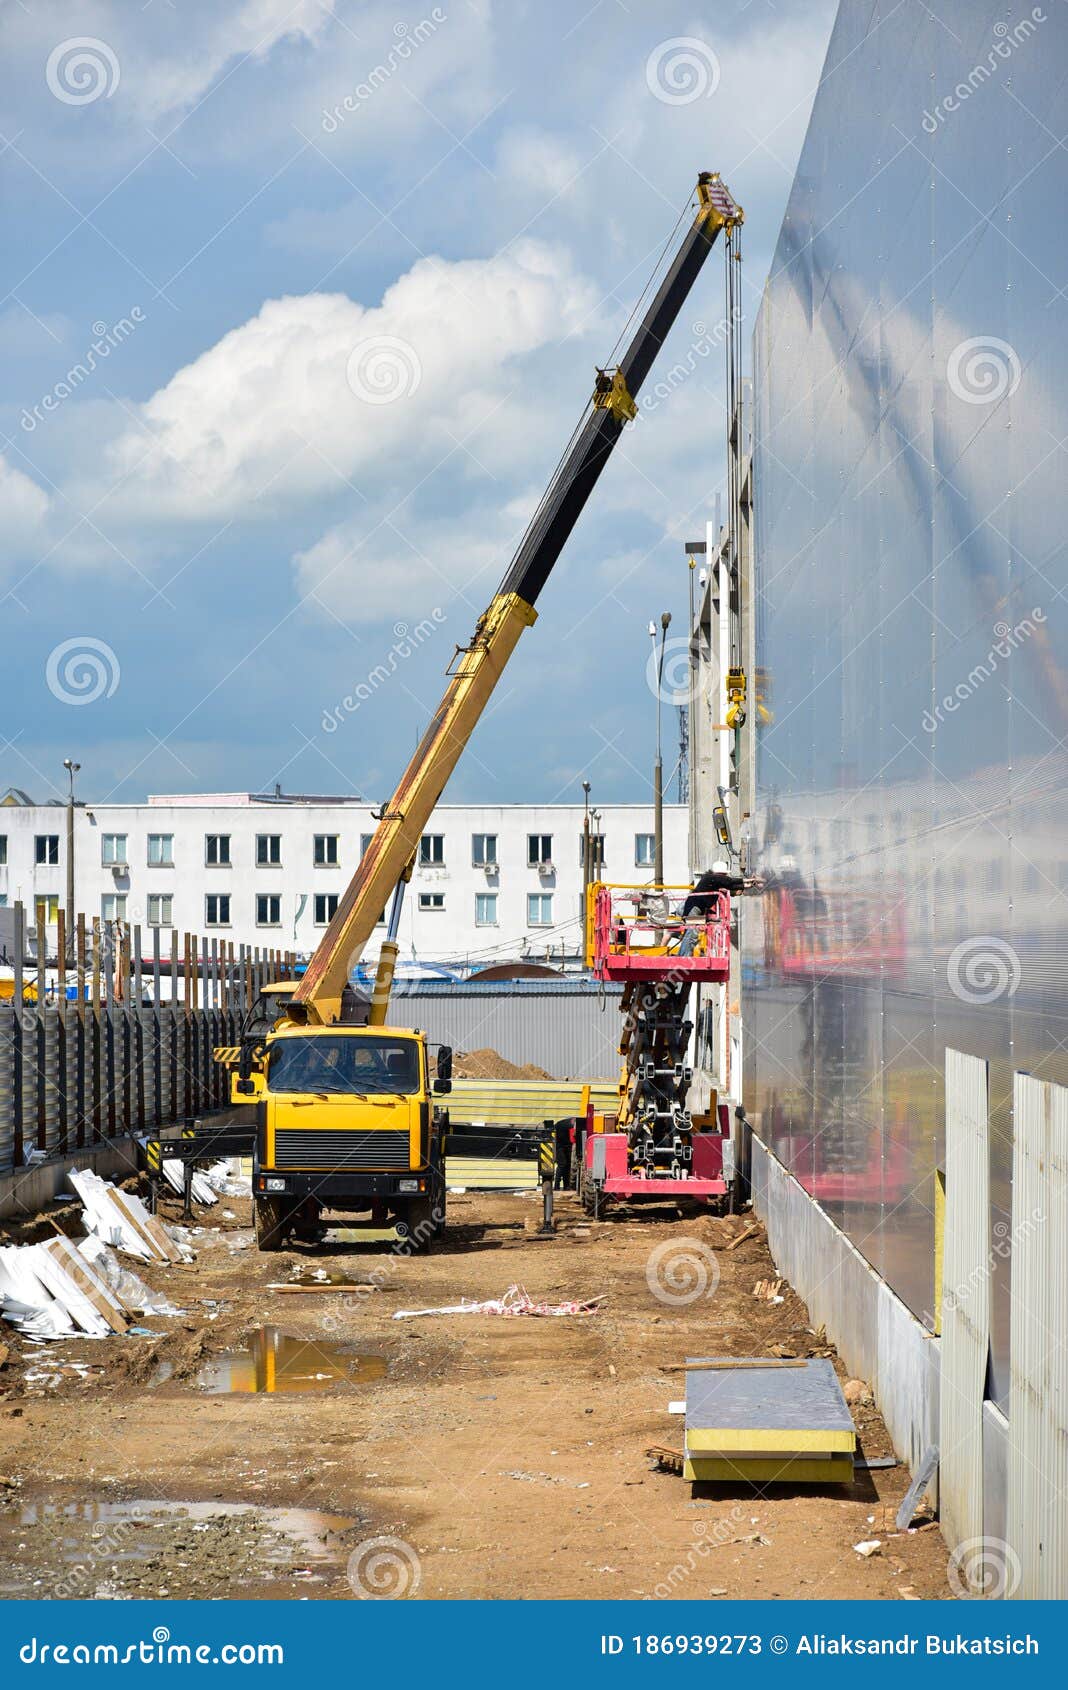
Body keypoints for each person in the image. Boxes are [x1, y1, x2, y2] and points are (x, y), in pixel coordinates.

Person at [677, 859, 745, 954]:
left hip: (690, 906)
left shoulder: (712, 882)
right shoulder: (710, 879)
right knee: (692, 933)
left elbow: (731, 888)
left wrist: (746, 886)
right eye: (724, 875)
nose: (725, 877)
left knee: (690, 933)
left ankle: (682, 955)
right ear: (720, 874)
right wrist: (747, 881)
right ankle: (683, 958)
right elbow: (729, 882)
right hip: (691, 907)